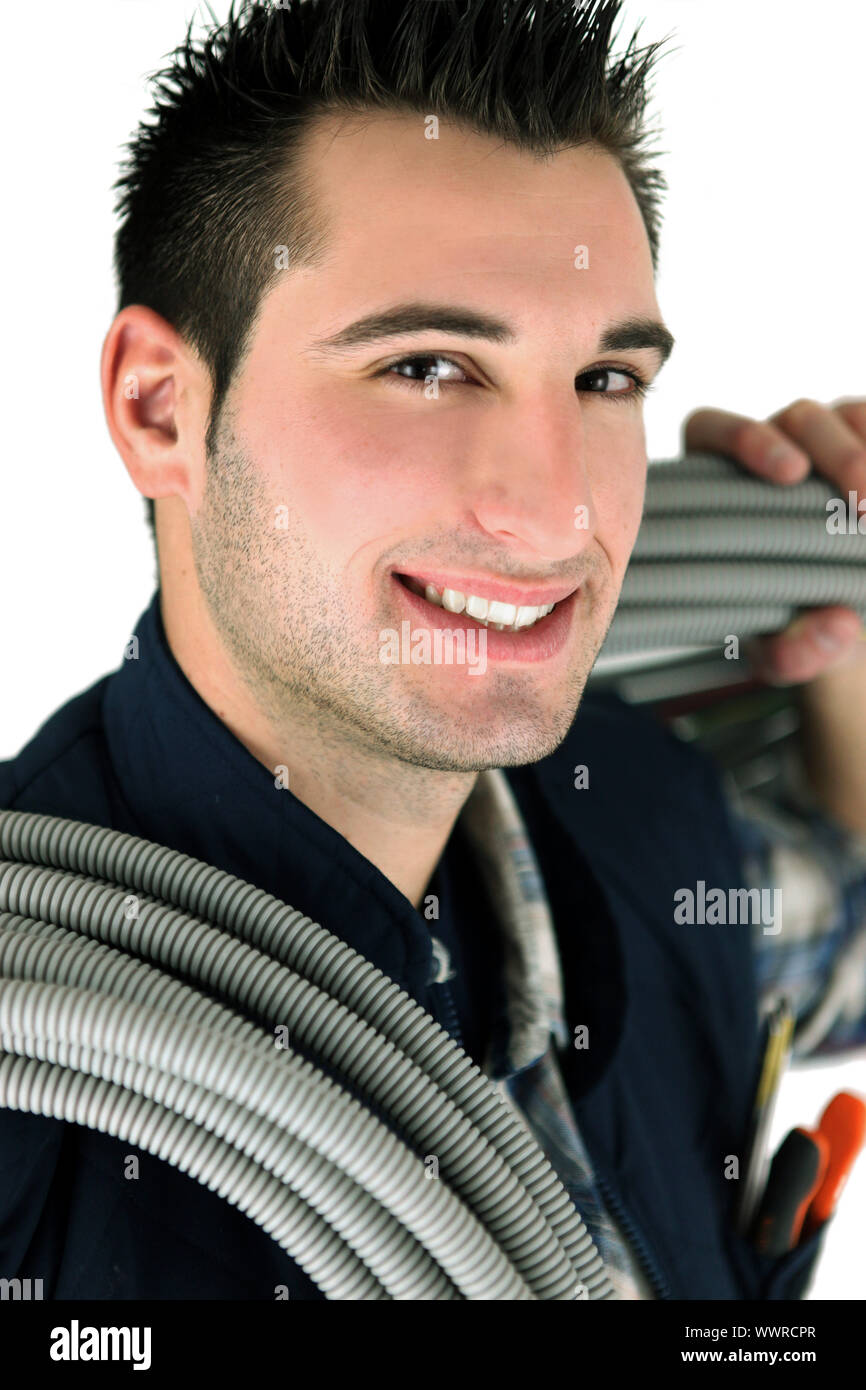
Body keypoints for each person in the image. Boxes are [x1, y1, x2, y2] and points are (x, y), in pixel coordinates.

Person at [1, 0, 864, 1301]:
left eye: (603, 381)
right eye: (425, 365)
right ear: (160, 408)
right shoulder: (32, 1071)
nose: (557, 506)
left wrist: (835, 603)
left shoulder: (647, 821)